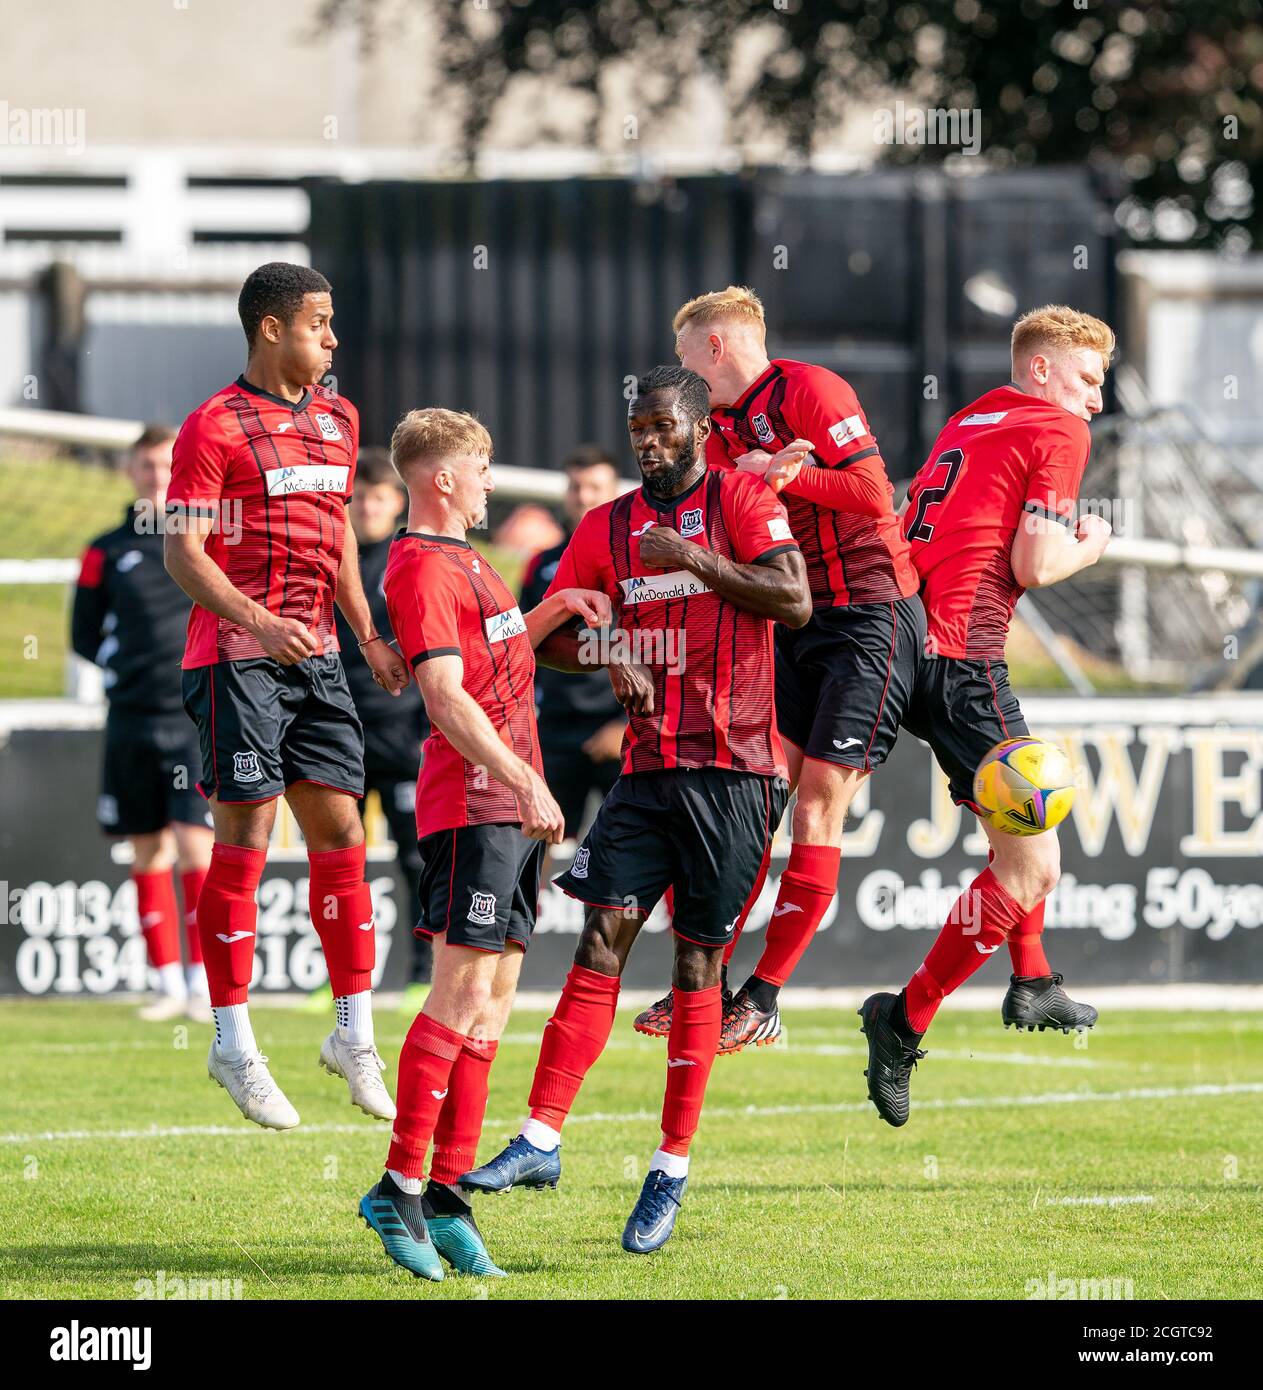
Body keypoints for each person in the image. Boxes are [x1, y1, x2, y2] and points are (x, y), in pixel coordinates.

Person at [461, 365, 810, 1255]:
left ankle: (670, 1167)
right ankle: (541, 1139)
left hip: (735, 774)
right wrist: (612, 643)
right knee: (599, 938)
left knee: (696, 971)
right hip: (648, 770)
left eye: (664, 427)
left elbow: (792, 599)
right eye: (638, 428)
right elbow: (558, 636)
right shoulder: (606, 525)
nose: (648, 443)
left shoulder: (738, 500)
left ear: (699, 427)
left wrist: (693, 557)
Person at [357, 407, 613, 1280]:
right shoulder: (424, 566)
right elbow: (444, 696)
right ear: (441, 479)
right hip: (472, 804)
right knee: (461, 993)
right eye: (482, 467)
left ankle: (447, 1195)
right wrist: (522, 778)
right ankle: (396, 1185)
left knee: (496, 999)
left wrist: (546, 611)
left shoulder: (469, 561)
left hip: (502, 808)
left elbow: (494, 659)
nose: (491, 482)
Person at [636, 284, 924, 1052]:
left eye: (683, 352)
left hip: (869, 614)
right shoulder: (721, 429)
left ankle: (763, 997)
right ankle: (708, 981)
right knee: (752, 798)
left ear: (714, 346)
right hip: (796, 619)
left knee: (817, 805)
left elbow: (870, 493)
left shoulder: (809, 388)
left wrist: (788, 473)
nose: (679, 366)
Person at [164, 261, 408, 1130]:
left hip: (318, 658)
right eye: (318, 322)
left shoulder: (339, 420)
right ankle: (231, 1041)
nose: (332, 338)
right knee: (250, 834)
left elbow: (338, 529)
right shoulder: (213, 427)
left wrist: (368, 633)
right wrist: (259, 622)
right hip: (235, 656)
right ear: (271, 328)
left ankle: (353, 1035)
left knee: (342, 830)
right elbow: (182, 554)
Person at [860, 304, 1115, 1127]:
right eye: (1087, 380)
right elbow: (1035, 564)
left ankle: (1032, 981)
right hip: (964, 657)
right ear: (1041, 370)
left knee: (1015, 835)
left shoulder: (974, 414)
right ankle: (903, 1020)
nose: (1095, 402)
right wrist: (1093, 543)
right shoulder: (1056, 430)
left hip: (901, 642)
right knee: (1036, 863)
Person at [72, 424, 213, 1023]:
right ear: (131, 472)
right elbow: (83, 634)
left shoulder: (206, 537)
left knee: (196, 847)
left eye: (165, 466)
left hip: (192, 716)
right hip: (130, 718)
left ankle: (207, 983)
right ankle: (166, 984)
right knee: (147, 846)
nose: (157, 476)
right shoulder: (105, 549)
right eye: (146, 466)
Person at [334, 447, 433, 1009]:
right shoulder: (332, 560)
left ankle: (422, 971)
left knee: (415, 858)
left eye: (378, 497)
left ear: (397, 502)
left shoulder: (408, 558)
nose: (367, 508)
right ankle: (343, 978)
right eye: (358, 499)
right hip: (341, 732)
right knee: (340, 857)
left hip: (403, 734)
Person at [519, 445, 626, 867]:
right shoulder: (541, 564)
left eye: (594, 487)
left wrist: (626, 723)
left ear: (616, 492)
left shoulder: (638, 559)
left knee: (637, 852)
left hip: (620, 729)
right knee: (528, 848)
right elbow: (520, 646)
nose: (583, 497)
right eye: (576, 487)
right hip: (555, 731)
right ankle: (515, 933)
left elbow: (666, 644)